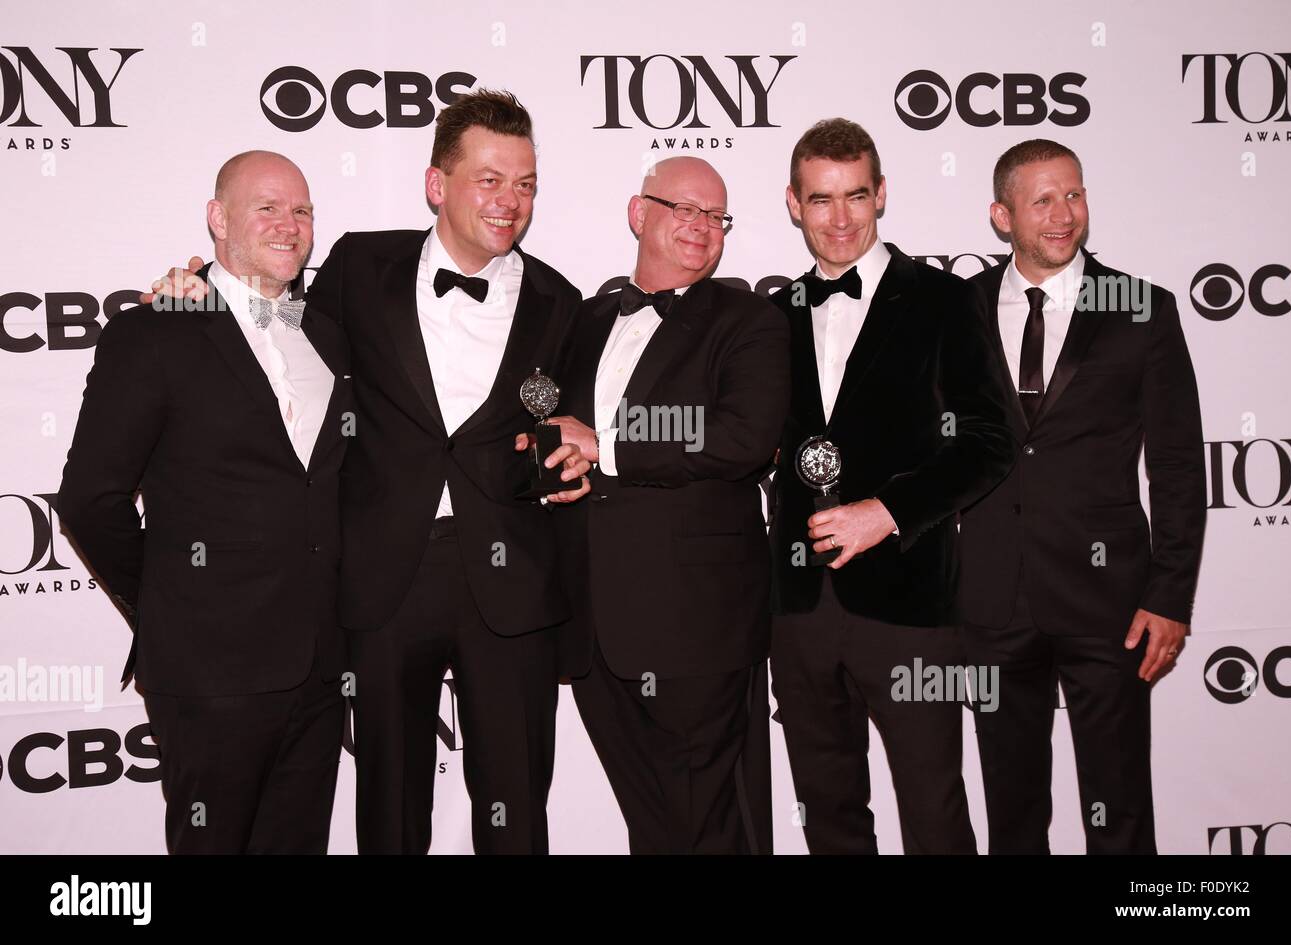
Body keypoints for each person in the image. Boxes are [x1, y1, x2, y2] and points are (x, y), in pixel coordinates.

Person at [144, 90, 591, 855]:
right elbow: (270, 330)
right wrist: (194, 292)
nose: (509, 200)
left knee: (517, 810)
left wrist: (581, 441)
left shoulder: (562, 300)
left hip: (511, 581)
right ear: (436, 185)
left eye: (524, 184)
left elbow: (571, 431)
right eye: (488, 179)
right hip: (385, 576)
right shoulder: (357, 264)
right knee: (388, 807)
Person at [59, 151, 350, 853]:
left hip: (318, 664)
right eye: (268, 208)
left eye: (303, 210)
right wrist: (169, 605)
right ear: (218, 219)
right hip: (210, 669)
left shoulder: (328, 334)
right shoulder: (154, 332)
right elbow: (90, 500)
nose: (290, 225)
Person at [767, 119, 1016, 854]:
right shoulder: (770, 316)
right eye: (820, 200)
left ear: (882, 195)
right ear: (793, 204)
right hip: (800, 608)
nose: (839, 218)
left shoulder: (946, 302)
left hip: (910, 607)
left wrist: (889, 510)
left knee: (934, 811)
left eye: (854, 196)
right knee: (829, 809)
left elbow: (989, 440)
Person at [960, 139, 1206, 854]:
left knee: (1121, 803)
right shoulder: (959, 309)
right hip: (992, 597)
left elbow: (1180, 466)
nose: (1064, 215)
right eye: (1041, 200)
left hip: (1111, 602)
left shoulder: (1141, 308)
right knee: (1011, 806)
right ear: (1001, 216)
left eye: (1074, 194)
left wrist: (1171, 595)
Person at [545, 156, 789, 854]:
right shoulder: (582, 320)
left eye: (716, 216)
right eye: (684, 208)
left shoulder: (748, 319)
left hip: (696, 629)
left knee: (710, 827)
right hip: (593, 625)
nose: (702, 226)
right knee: (651, 824)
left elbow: (744, 437)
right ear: (638, 212)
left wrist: (608, 446)